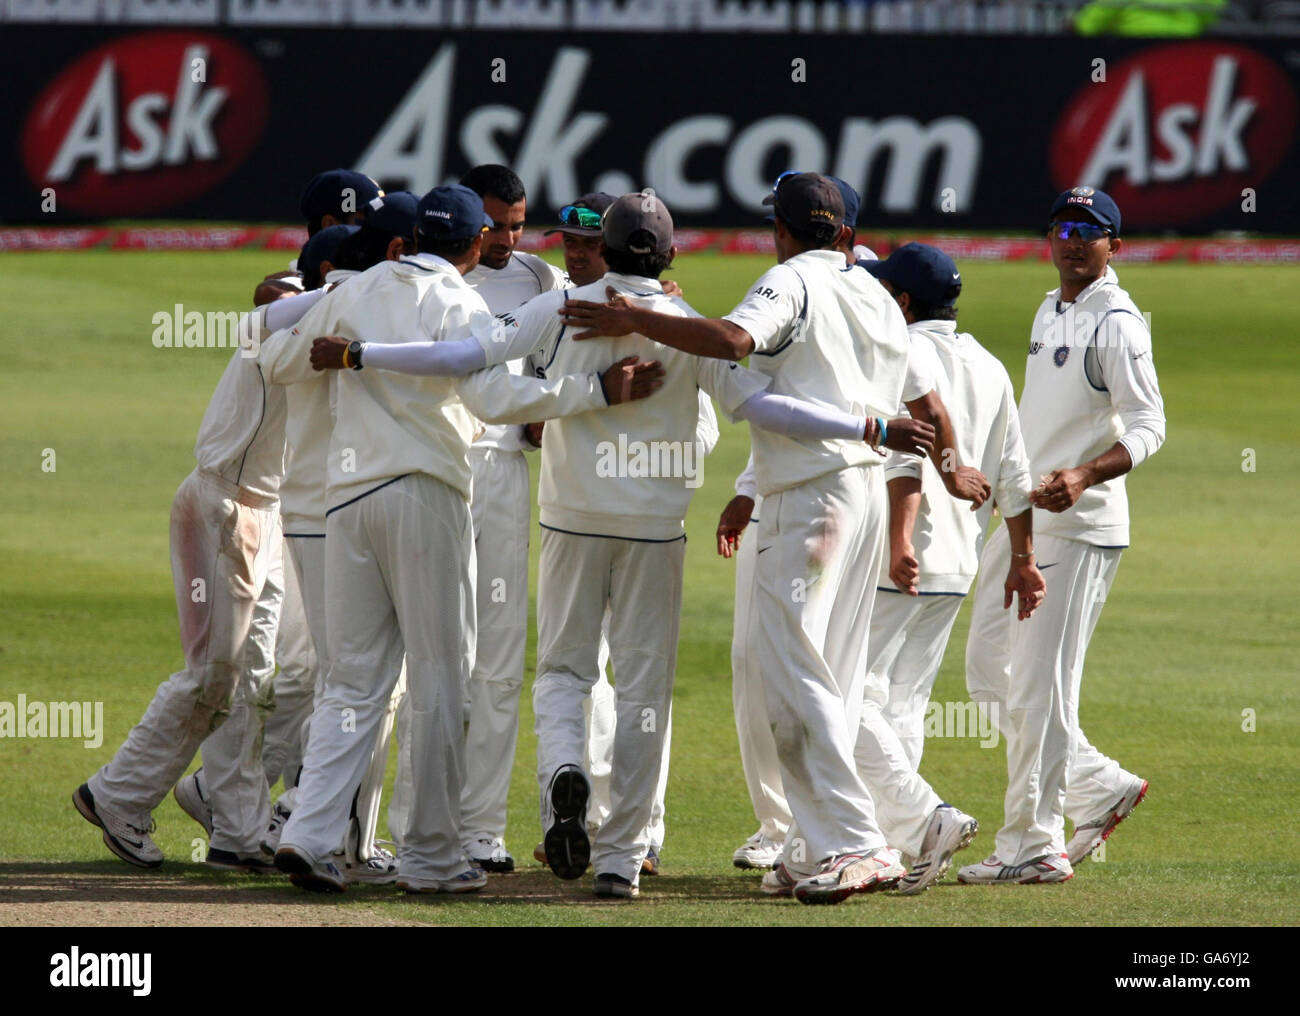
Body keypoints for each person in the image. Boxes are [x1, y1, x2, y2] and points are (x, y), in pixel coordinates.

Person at [273, 185, 665, 894]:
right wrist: (594, 394)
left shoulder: (353, 291)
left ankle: (308, 833)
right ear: (474, 242)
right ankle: (429, 855)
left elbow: (279, 360)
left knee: (353, 682)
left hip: (346, 501)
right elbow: (491, 400)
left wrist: (334, 342)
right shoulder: (460, 305)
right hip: (426, 495)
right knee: (440, 678)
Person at [558, 175, 932, 904]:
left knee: (789, 675)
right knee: (835, 677)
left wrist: (638, 314)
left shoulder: (791, 280)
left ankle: (857, 843)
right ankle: (810, 844)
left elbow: (732, 340)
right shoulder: (877, 294)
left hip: (810, 496)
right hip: (861, 491)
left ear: (783, 231)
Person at [958, 187, 1164, 885]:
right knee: (989, 669)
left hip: (1080, 528)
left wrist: (1084, 475)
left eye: (1091, 230)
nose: (1074, 240)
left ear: (1114, 245)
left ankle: (1032, 843)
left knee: (1043, 690)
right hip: (1024, 519)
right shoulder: (1052, 308)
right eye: (1064, 227)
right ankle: (1096, 785)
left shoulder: (1118, 324)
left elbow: (1149, 425)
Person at [851, 242, 1045, 894]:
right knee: (901, 705)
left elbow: (907, 455)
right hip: (957, 562)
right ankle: (895, 849)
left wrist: (899, 539)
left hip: (896, 555)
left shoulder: (898, 351)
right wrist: (1024, 559)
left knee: (840, 697)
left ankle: (922, 819)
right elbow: (1015, 475)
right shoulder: (990, 366)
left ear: (902, 301)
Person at [448, 164, 569, 874]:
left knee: (496, 658)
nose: (508, 238)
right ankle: (411, 822)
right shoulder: (435, 274)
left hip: (503, 474)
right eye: (496, 223)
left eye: (519, 224)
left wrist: (542, 415)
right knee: (432, 657)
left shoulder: (540, 280)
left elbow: (583, 327)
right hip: (436, 467)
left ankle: (481, 828)